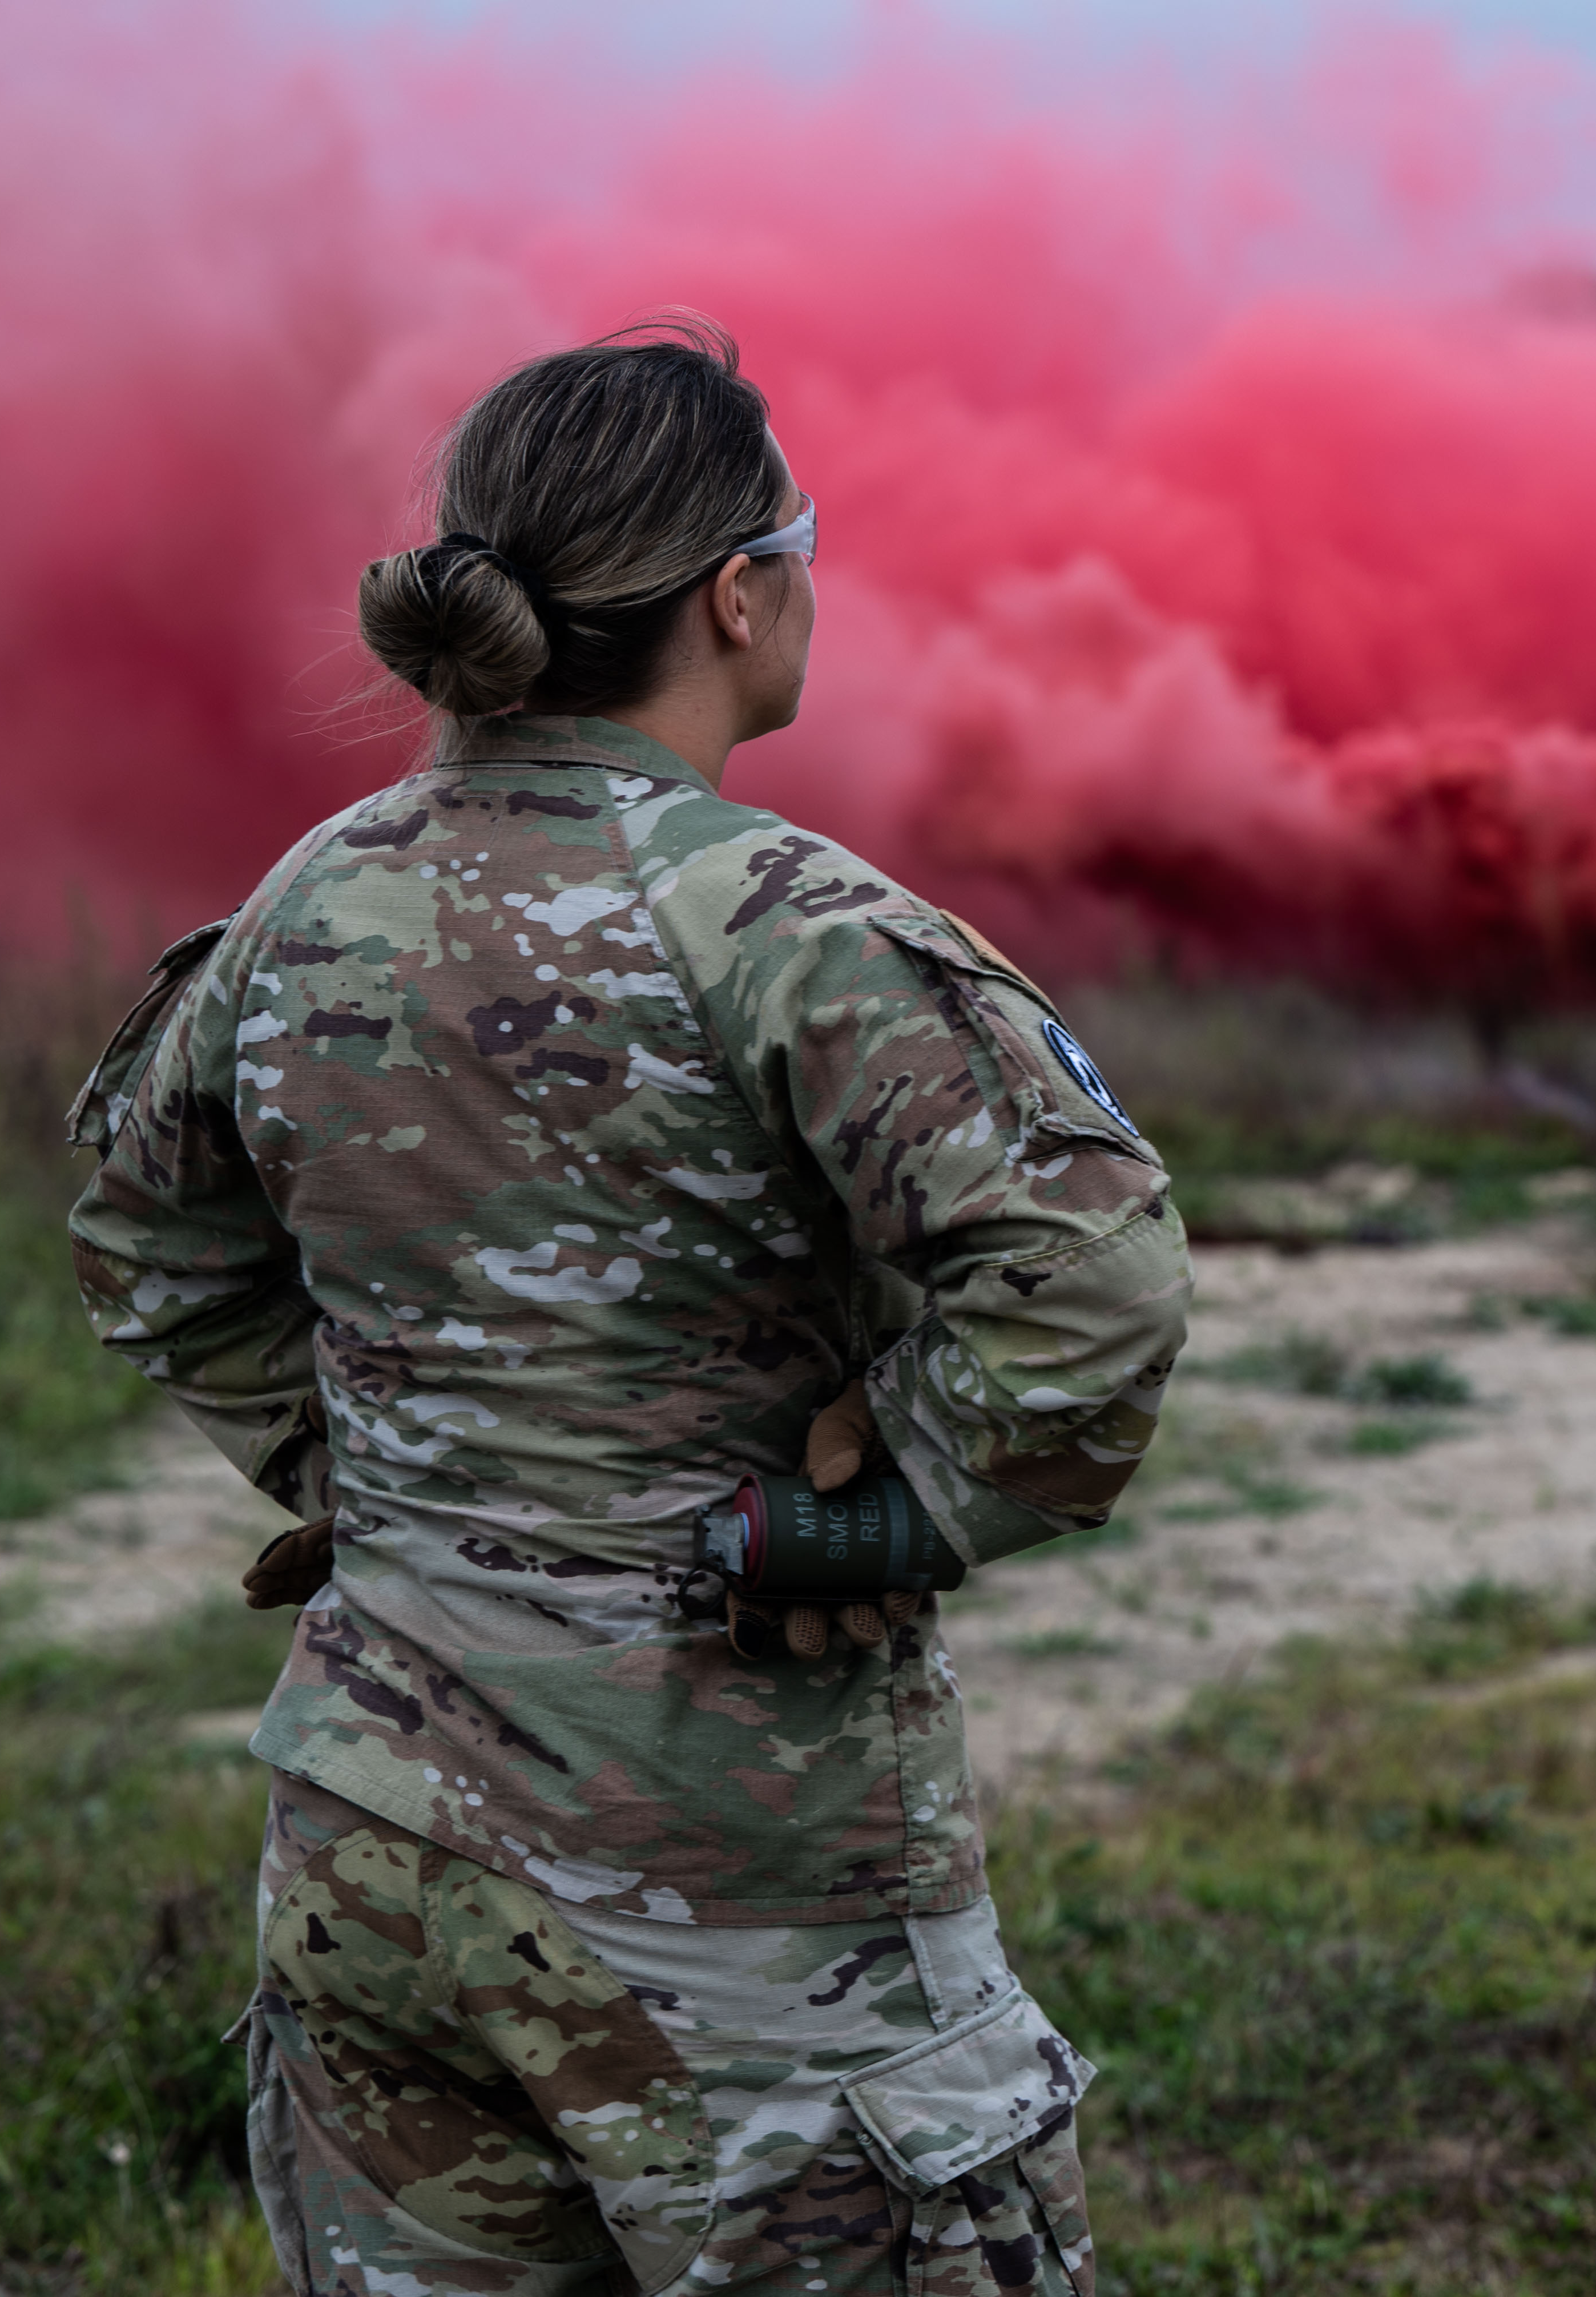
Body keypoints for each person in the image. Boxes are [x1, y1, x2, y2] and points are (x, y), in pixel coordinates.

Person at [66, 315, 1188, 2296]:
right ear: (744, 593)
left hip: (375, 1854)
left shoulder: (303, 906)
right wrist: (885, 1512)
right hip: (732, 1887)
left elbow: (145, 1237)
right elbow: (1088, 1281)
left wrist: (386, 1470)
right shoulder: (783, 925)